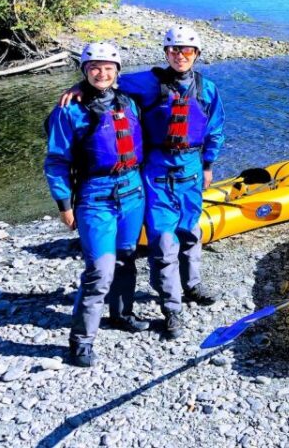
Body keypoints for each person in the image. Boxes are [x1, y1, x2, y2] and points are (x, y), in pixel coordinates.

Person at [60, 25, 225, 339]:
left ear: (197, 54)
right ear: (165, 52)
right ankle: (172, 310)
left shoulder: (208, 89)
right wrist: (79, 84)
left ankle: (192, 285)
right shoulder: (147, 82)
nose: (180, 55)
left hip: (191, 168)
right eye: (174, 49)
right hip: (157, 171)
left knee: (191, 231)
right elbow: (107, 80)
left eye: (187, 50)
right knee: (163, 243)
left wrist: (208, 165)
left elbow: (215, 129)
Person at [45, 42, 149, 367]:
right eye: (93, 68)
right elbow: (57, 161)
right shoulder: (69, 111)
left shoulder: (130, 102)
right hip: (95, 195)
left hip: (133, 191)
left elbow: (165, 80)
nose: (101, 73)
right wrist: (64, 204)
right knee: (99, 271)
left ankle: (121, 314)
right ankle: (81, 340)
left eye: (108, 68)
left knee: (126, 257)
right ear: (85, 72)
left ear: (117, 72)